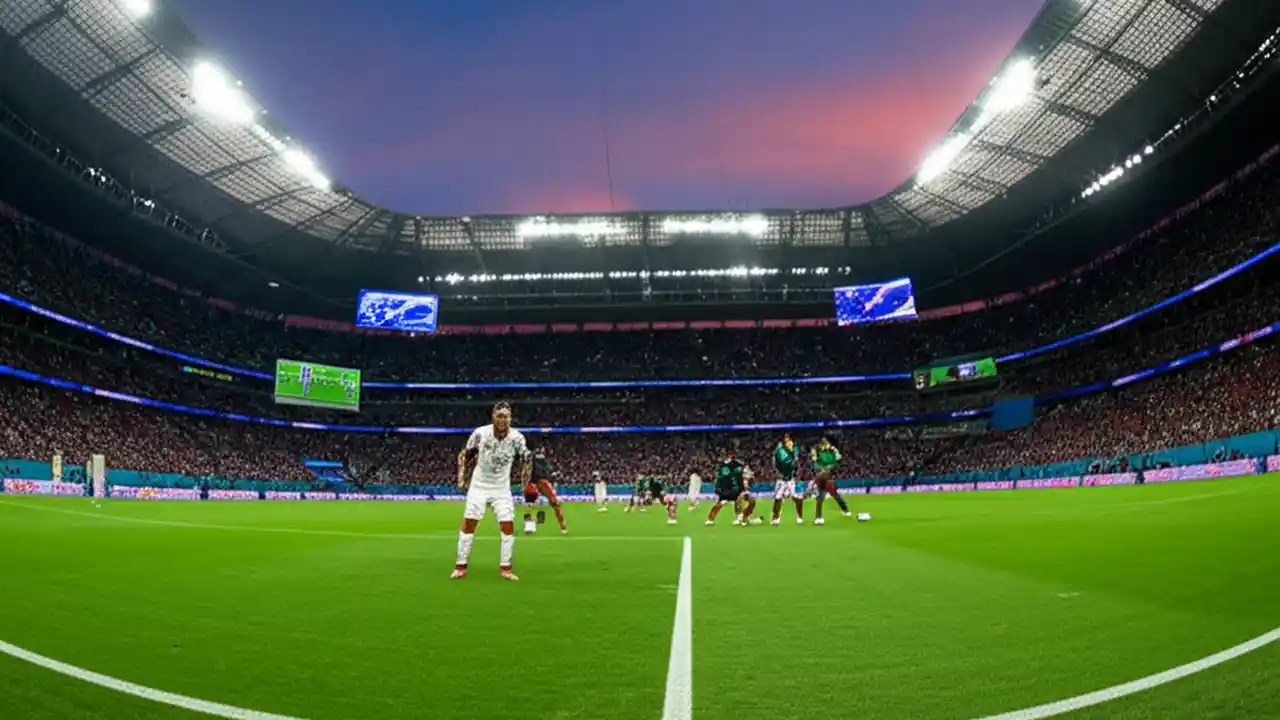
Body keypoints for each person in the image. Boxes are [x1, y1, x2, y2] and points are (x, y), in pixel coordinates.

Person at [453, 402, 530, 581]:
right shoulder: (480, 433)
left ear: (511, 419)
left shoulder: (517, 438)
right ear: (493, 417)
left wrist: (525, 480)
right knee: (469, 523)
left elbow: (526, 459)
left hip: (501, 488)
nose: (503, 420)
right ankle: (460, 566)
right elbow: (465, 454)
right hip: (479, 485)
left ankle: (506, 568)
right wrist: (462, 476)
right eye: (499, 416)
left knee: (508, 525)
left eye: (506, 416)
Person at [706, 448, 760, 526]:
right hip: (729, 489)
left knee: (748, 501)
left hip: (736, 489)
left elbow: (745, 476)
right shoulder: (727, 466)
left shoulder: (734, 465)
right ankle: (711, 519)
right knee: (722, 502)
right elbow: (722, 478)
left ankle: (742, 518)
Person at [521, 446, 567, 534]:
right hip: (538, 482)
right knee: (553, 504)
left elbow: (525, 472)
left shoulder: (531, 459)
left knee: (530, 505)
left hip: (536, 482)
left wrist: (524, 483)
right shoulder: (541, 460)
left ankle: (529, 526)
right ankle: (562, 526)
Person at [810, 435, 851, 525]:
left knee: (828, 495)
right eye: (823, 441)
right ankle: (819, 517)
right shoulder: (817, 450)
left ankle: (819, 517)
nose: (825, 443)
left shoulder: (832, 450)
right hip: (822, 475)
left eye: (826, 441)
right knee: (824, 496)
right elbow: (814, 463)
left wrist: (830, 468)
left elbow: (838, 460)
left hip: (828, 474)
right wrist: (822, 469)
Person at [771, 433, 804, 525]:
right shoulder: (779, 449)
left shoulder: (794, 448)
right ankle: (775, 518)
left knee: (797, 497)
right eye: (785, 438)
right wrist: (778, 474)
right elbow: (775, 462)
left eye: (788, 438)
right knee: (777, 498)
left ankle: (800, 517)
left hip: (791, 478)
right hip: (781, 478)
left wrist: (797, 474)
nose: (787, 439)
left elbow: (796, 462)